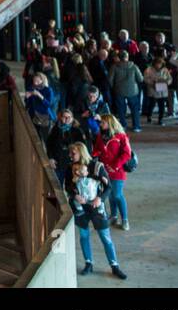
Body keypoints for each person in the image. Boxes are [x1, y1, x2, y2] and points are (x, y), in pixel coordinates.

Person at [65, 143, 126, 280]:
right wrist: (75, 196)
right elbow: (67, 186)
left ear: (81, 152)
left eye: (73, 153)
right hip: (80, 208)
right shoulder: (70, 168)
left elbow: (108, 187)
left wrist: (100, 198)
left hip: (96, 207)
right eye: (70, 153)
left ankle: (114, 266)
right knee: (84, 236)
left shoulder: (97, 167)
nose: (70, 156)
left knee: (105, 237)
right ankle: (88, 263)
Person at [93, 114, 132, 230]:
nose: (101, 124)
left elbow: (127, 154)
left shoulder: (121, 136)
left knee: (117, 194)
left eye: (103, 123)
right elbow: (96, 150)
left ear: (110, 124)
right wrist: (94, 156)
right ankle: (113, 216)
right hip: (104, 170)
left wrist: (115, 166)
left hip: (117, 171)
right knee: (110, 194)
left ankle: (125, 220)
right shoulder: (100, 136)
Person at [46, 108, 89, 186]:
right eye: (64, 117)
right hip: (59, 163)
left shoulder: (77, 131)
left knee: (73, 187)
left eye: (69, 117)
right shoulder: (55, 129)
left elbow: (83, 147)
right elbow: (49, 145)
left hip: (73, 164)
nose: (67, 119)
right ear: (61, 118)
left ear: (72, 118)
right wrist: (50, 158)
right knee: (57, 186)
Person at [109, 50, 144, 132]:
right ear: (127, 57)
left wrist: (114, 87)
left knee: (121, 109)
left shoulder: (114, 67)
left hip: (119, 90)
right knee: (134, 109)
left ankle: (123, 125)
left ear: (119, 57)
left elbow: (110, 80)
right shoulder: (134, 66)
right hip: (132, 90)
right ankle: (136, 126)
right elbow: (141, 79)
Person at [24, 73, 55, 141]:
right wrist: (27, 97)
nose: (35, 83)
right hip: (33, 115)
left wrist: (40, 95)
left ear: (42, 80)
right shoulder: (31, 88)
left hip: (44, 117)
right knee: (36, 137)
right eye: (34, 80)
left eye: (38, 81)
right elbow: (27, 102)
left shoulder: (48, 90)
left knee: (46, 137)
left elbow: (49, 104)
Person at [144, 55, 172, 126]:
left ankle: (160, 119)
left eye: (160, 63)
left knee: (161, 106)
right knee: (151, 105)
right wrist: (153, 82)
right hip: (153, 90)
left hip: (162, 90)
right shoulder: (149, 70)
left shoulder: (165, 70)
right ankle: (149, 116)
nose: (158, 65)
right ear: (154, 63)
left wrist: (166, 82)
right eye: (157, 63)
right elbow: (146, 79)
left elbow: (170, 79)